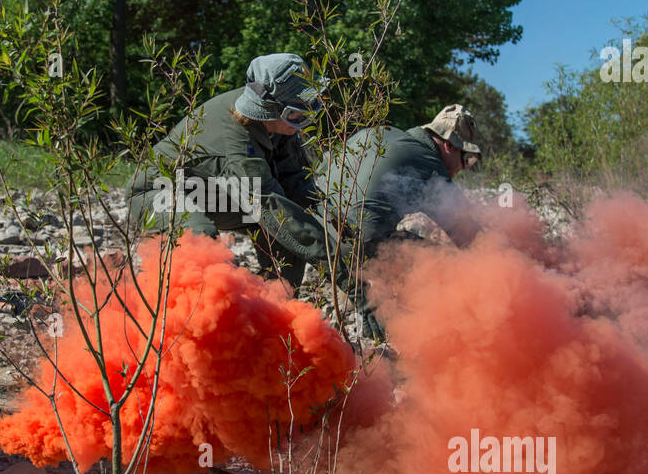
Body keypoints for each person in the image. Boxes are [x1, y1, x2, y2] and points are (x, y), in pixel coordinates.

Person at [127, 53, 342, 288]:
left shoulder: (280, 125)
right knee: (202, 242)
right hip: (157, 192)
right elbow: (269, 206)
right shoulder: (238, 142)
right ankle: (194, 320)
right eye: (297, 113)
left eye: (312, 106)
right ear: (269, 109)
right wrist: (343, 273)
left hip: (214, 192)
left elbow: (296, 185)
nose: (307, 118)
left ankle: (275, 313)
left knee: (286, 237)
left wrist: (340, 226)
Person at [318, 104, 483, 340]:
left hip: (316, 237)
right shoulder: (429, 163)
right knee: (446, 264)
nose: (463, 169)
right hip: (354, 247)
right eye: (466, 160)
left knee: (392, 235)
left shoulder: (380, 133)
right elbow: (471, 238)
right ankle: (436, 340)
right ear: (448, 145)